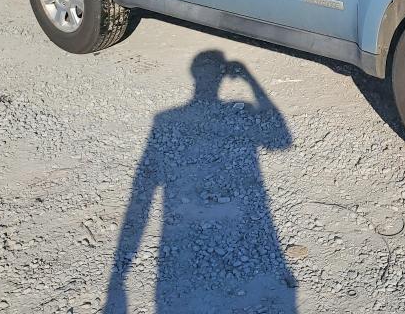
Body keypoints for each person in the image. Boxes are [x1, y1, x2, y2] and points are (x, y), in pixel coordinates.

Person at [104, 49, 295, 313]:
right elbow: (281, 140)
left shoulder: (165, 121)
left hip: (174, 246)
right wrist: (250, 80)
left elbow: (143, 189)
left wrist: (120, 273)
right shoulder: (170, 120)